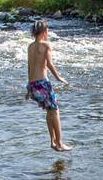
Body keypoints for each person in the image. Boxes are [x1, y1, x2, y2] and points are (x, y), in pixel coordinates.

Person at [27, 19, 71, 152]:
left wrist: (29, 88)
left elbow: (29, 67)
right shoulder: (46, 45)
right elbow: (50, 64)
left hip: (33, 84)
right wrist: (59, 78)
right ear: (45, 32)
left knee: (49, 111)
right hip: (43, 83)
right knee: (55, 111)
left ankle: (52, 142)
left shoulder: (30, 46)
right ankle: (60, 142)